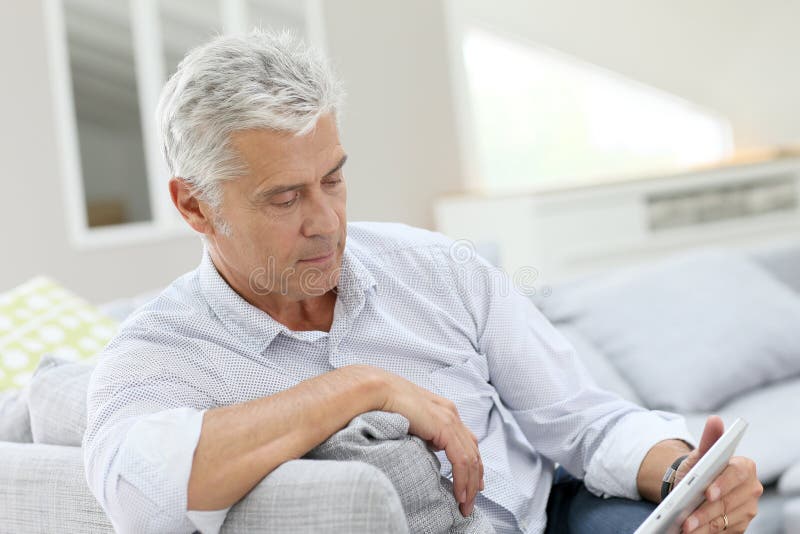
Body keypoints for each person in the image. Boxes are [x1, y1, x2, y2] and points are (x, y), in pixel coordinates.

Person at [83, 30, 762, 534]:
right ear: (195, 205)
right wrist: (360, 387)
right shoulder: (158, 353)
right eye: (285, 199)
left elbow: (583, 424)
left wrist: (685, 476)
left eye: (334, 179)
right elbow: (140, 500)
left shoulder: (439, 269)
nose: (326, 222)